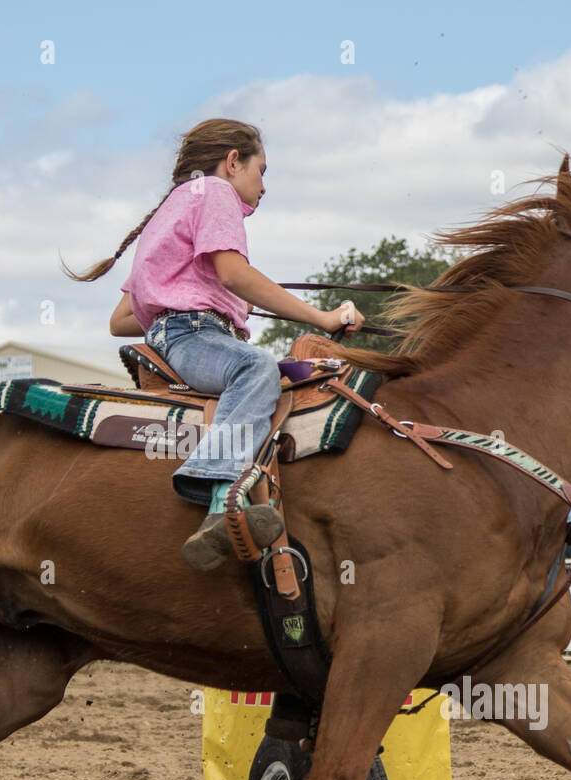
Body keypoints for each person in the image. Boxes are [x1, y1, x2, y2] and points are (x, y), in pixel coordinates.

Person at [69, 119, 364, 570]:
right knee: (256, 369)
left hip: (175, 336)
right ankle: (219, 493)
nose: (264, 185)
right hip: (195, 335)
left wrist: (200, 292)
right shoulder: (215, 192)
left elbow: (122, 320)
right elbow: (233, 273)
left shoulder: (174, 207)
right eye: (261, 170)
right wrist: (325, 317)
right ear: (232, 163)